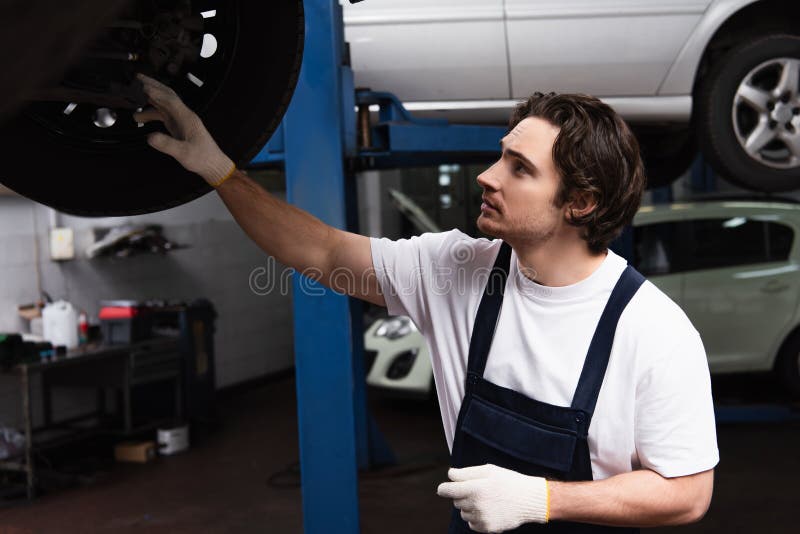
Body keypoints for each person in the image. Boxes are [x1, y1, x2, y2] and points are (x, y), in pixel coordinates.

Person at [134, 74, 718, 533]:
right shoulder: (456, 269)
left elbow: (686, 494)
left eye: (520, 169)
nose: (488, 176)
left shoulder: (653, 331)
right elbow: (322, 250)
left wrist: (542, 500)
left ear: (581, 203)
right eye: (500, 156)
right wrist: (219, 170)